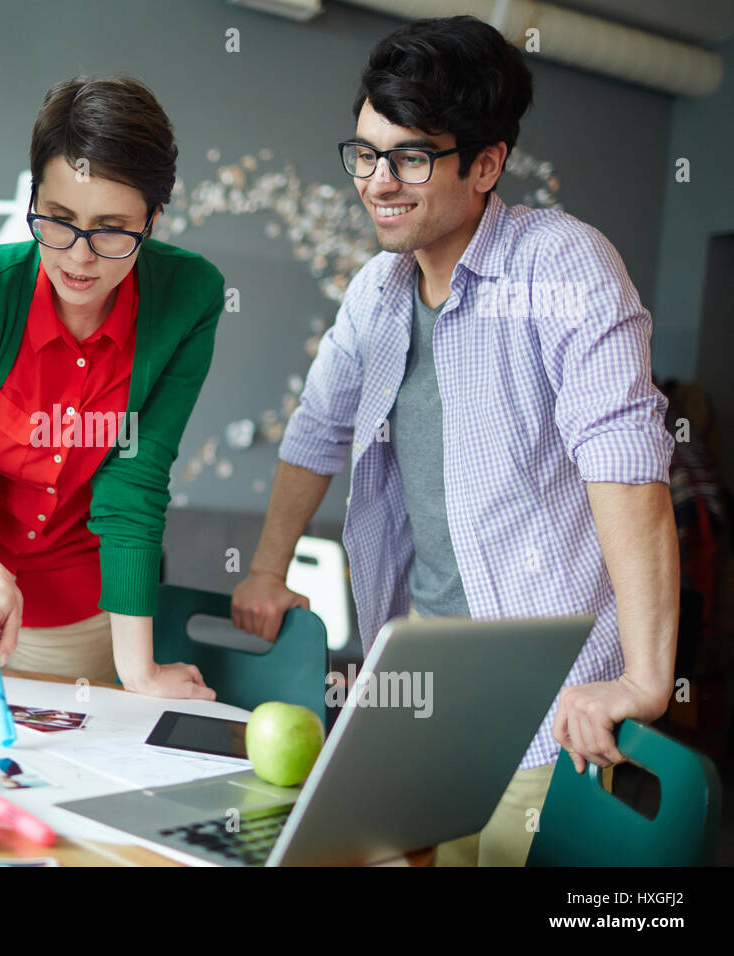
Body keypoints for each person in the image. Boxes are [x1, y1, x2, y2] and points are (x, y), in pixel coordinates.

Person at [231, 16, 678, 866]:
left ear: (485, 163)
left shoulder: (563, 266)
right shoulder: (376, 291)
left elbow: (627, 465)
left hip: (550, 706)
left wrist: (646, 678)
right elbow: (317, 430)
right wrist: (264, 569)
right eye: (364, 153)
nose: (377, 182)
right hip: (421, 693)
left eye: (409, 157)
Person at [0, 77, 225, 699]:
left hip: (77, 599)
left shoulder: (190, 298)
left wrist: (139, 673)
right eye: (58, 219)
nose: (79, 257)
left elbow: (134, 483)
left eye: (113, 228)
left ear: (153, 218)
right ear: (34, 195)